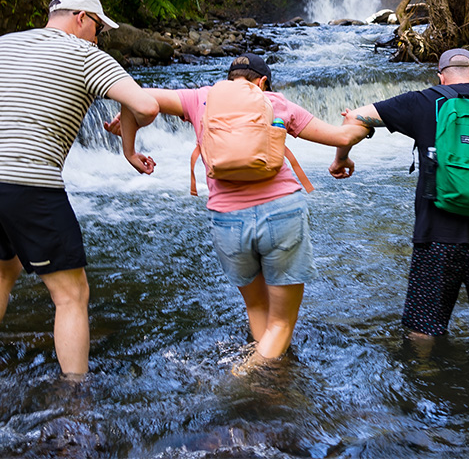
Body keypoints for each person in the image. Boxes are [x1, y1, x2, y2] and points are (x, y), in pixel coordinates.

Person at [0, 0, 161, 381]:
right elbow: (147, 105)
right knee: (71, 294)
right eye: (99, 28)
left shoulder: (1, 45)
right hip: (31, 183)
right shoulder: (86, 55)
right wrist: (130, 142)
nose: (99, 37)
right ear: (81, 18)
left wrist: (6, 117)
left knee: (2, 270)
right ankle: (74, 395)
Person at [112, 53, 369, 366]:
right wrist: (361, 122)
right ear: (261, 82)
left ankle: (272, 385)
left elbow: (131, 95)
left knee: (258, 310)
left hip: (227, 220)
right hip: (281, 212)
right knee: (282, 322)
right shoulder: (277, 102)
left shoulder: (200, 99)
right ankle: (247, 377)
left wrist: (129, 149)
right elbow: (342, 136)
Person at [334, 48, 469, 342]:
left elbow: (355, 117)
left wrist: (342, 158)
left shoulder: (421, 102)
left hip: (434, 237)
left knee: (422, 329)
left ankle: (425, 375)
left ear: (440, 76)